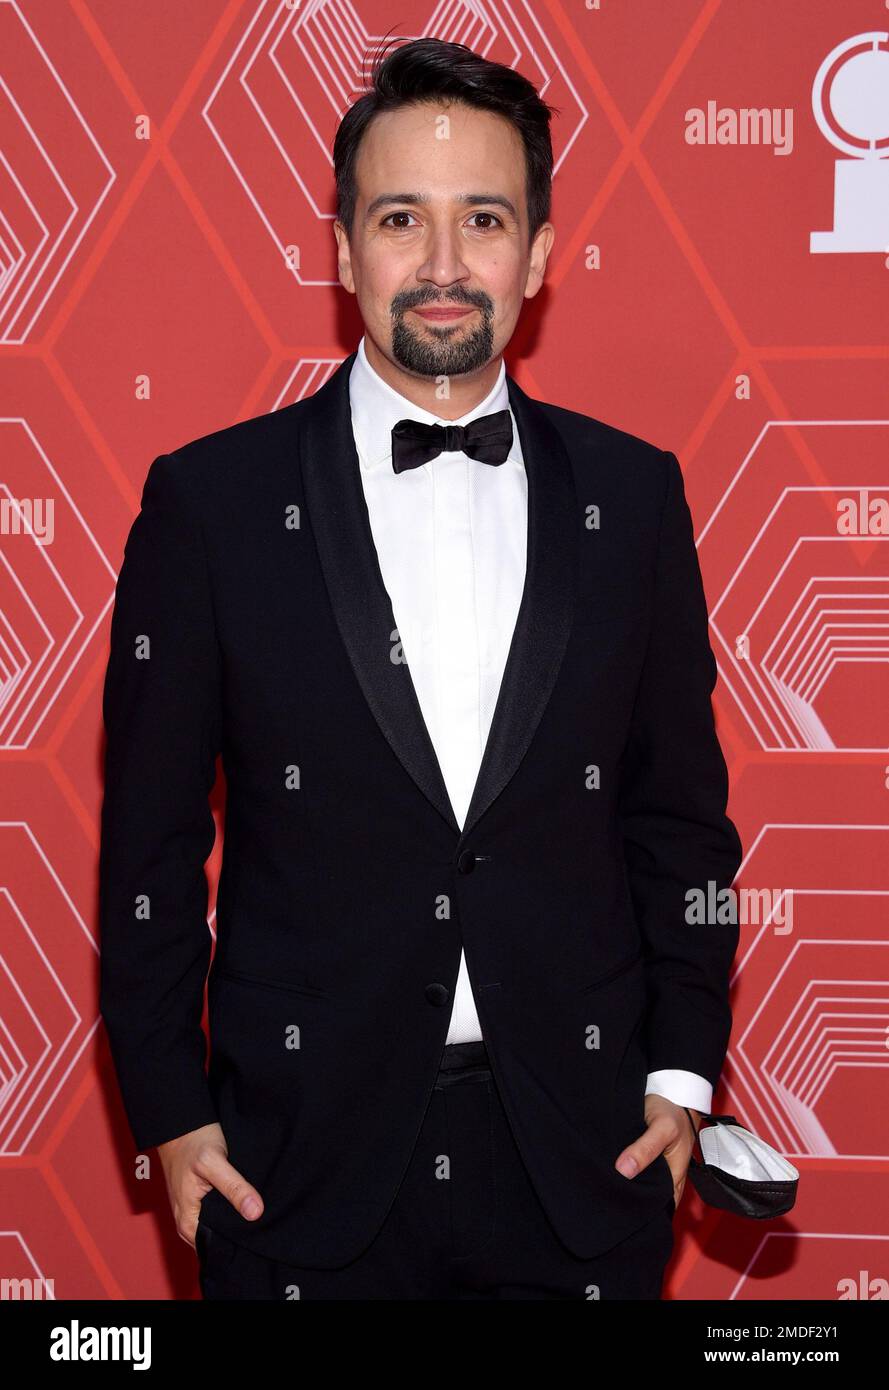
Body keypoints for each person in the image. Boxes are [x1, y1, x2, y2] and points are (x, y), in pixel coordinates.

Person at [99, 36, 742, 1300]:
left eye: (484, 220)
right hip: (296, 1165)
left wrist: (680, 1076)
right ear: (341, 250)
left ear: (540, 256)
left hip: (582, 1161)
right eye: (401, 218)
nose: (444, 267)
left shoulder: (636, 495)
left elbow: (683, 826)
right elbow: (149, 850)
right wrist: (170, 1111)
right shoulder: (209, 505)